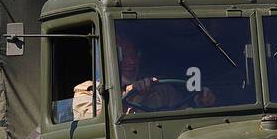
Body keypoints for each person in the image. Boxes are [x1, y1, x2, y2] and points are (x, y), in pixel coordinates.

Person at [72, 37, 212, 119]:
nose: (131, 62)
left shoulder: (160, 89)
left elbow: (188, 118)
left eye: (134, 55)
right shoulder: (89, 92)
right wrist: (132, 96)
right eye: (124, 55)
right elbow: (101, 128)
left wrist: (201, 103)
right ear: (107, 59)